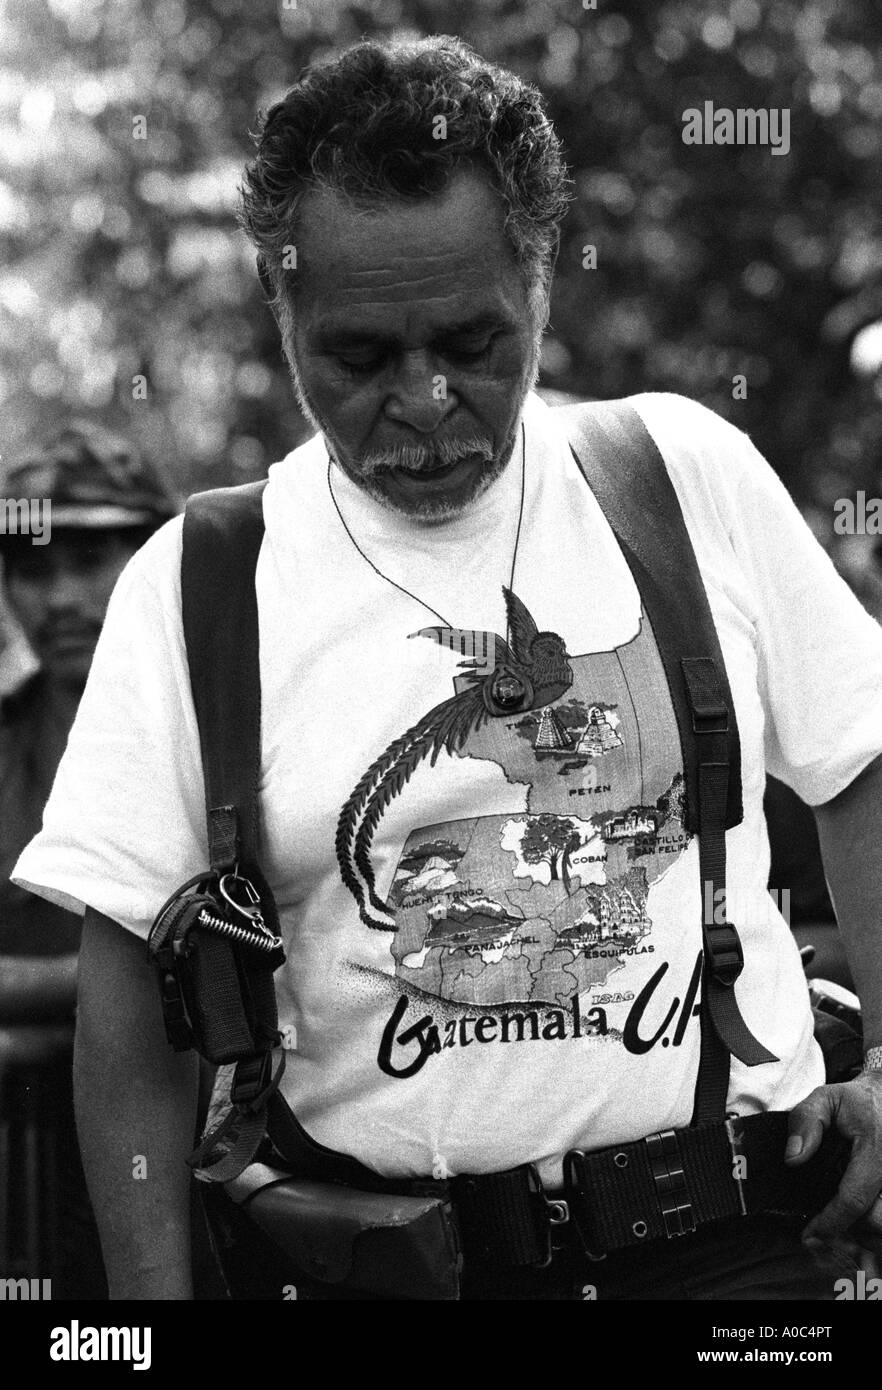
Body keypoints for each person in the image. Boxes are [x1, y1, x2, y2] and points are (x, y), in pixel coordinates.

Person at [12, 37, 882, 1301]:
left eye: (472, 344)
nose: (423, 401)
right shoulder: (201, 581)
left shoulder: (679, 481)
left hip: (734, 1261)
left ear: (540, 291)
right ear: (281, 302)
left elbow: (862, 764)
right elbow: (134, 1003)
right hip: (385, 1270)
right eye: (360, 358)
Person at [0, 421, 178, 1296]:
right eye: (31, 569)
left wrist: (41, 994)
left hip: (191, 1147)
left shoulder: (217, 726)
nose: (61, 597)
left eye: (91, 562)